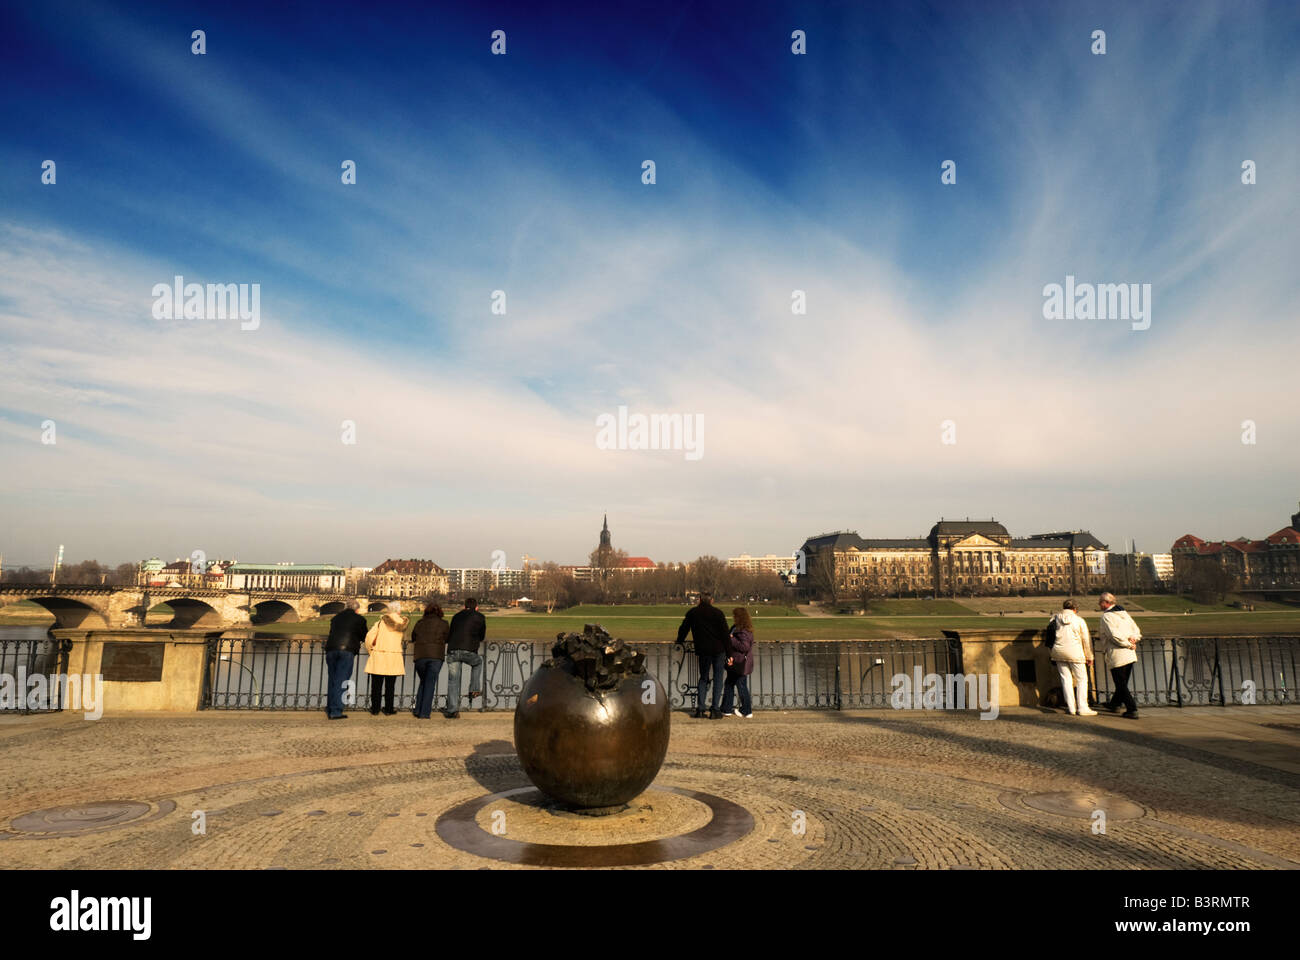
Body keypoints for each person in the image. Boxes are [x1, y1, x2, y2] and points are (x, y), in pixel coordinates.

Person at [675, 593, 730, 719]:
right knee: (718, 679)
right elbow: (725, 634)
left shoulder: (693, 612)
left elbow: (684, 628)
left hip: (703, 650)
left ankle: (700, 708)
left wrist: (679, 641)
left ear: (699, 600)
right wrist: (730, 653)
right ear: (712, 600)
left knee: (703, 678)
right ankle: (715, 710)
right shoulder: (718, 613)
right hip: (718, 650)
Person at [1048, 599, 1096, 716]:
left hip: (1058, 652)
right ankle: (1082, 707)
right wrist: (1089, 656)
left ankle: (1071, 707)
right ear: (1075, 609)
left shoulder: (1054, 619)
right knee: (1082, 679)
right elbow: (1086, 640)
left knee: (1065, 680)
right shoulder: (1079, 620)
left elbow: (1050, 636)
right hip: (1075, 653)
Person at [1098, 592, 1141, 718]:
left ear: (1106, 603)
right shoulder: (1124, 613)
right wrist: (1134, 639)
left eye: (1100, 602)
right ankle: (1115, 704)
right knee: (1122, 682)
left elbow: (1113, 636)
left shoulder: (1106, 617)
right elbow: (1136, 629)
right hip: (1130, 653)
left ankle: (1132, 709)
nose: (1099, 604)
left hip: (1117, 653)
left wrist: (1128, 644)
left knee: (1120, 683)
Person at [324, 600, 367, 719]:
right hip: (347, 650)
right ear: (357, 609)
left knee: (332, 679)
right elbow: (364, 636)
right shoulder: (359, 619)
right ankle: (336, 711)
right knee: (342, 680)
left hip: (331, 649)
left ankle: (330, 707)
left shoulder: (336, 618)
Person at [364, 601, 409, 715]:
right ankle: (389, 709)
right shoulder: (402, 623)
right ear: (398, 611)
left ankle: (375, 709)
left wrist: (371, 651)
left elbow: (369, 638)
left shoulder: (380, 622)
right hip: (394, 656)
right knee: (390, 686)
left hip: (379, 654)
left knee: (376, 686)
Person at [443, 597, 486, 718]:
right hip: (469, 650)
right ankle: (474, 688)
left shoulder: (456, 616)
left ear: (464, 606)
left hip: (453, 650)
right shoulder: (480, 617)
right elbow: (482, 636)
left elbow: (450, 633)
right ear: (476, 607)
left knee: (453, 681)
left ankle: (452, 710)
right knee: (477, 663)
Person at [410, 602, 449, 719]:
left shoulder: (420, 623)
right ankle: (424, 713)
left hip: (420, 656)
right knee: (430, 683)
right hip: (436, 656)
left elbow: (413, 637)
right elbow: (447, 638)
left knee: (424, 682)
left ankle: (417, 709)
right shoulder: (444, 624)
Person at [722, 607, 755, 719]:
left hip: (740, 663)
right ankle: (726, 709)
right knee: (729, 684)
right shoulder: (737, 628)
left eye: (735, 616)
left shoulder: (742, 630)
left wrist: (731, 639)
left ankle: (747, 710)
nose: (733, 618)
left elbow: (744, 646)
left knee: (740, 686)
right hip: (735, 662)